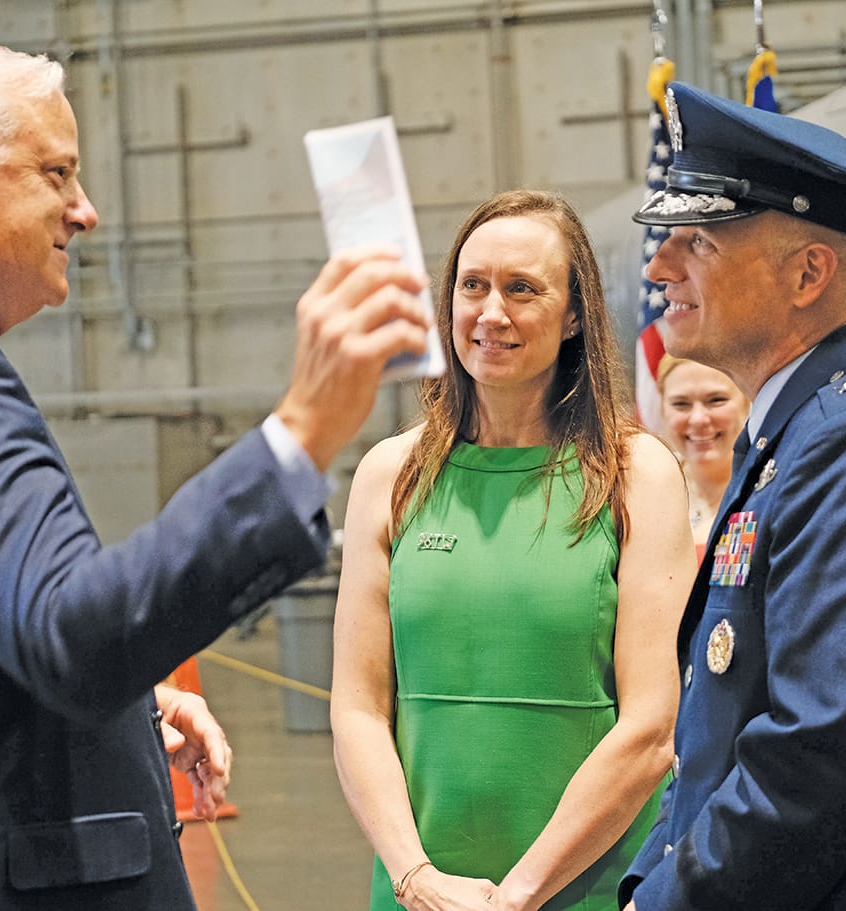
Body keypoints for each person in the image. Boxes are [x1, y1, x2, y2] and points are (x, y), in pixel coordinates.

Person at [0, 40, 432, 910]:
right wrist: (302, 432)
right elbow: (70, 635)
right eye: (56, 172)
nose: (84, 210)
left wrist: (124, 715)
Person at [619, 81, 846, 909]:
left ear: (808, 272)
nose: (658, 267)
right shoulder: (797, 435)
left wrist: (666, 900)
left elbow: (821, 755)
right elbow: (715, 736)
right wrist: (649, 879)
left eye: (697, 243)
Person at [331, 189, 697, 911]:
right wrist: (416, 877)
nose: (491, 312)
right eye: (474, 285)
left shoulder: (637, 474)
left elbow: (652, 726)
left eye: (522, 289)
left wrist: (519, 895)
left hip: (583, 887)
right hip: (421, 892)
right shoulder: (390, 477)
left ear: (572, 316)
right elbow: (358, 709)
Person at [656, 355, 749, 562]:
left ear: (746, 401)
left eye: (716, 400)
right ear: (663, 409)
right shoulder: (645, 495)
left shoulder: (768, 489)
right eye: (681, 404)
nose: (698, 419)